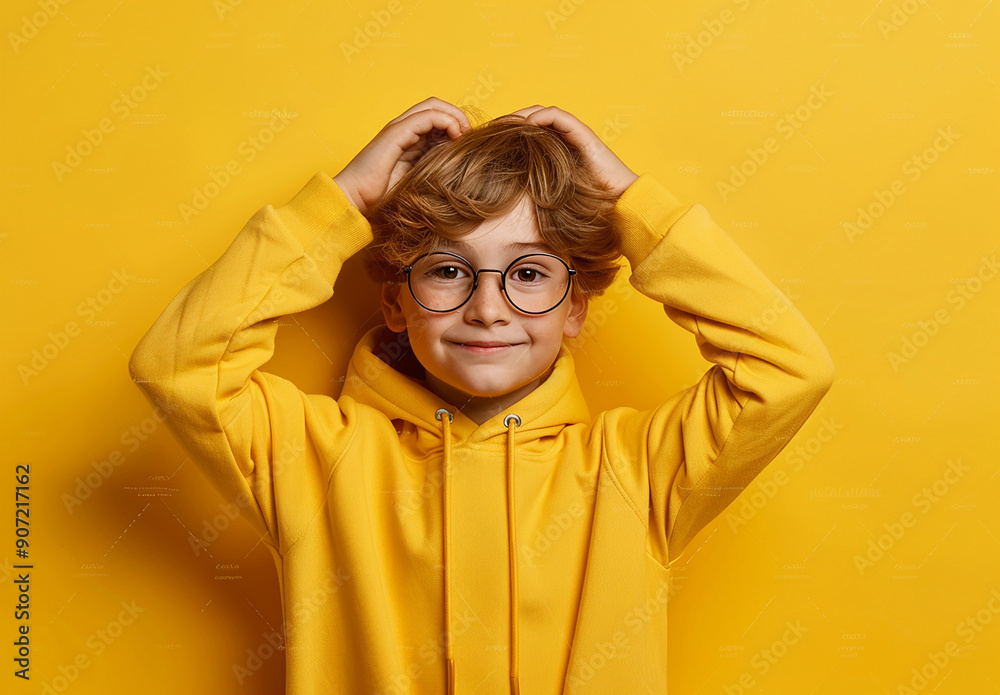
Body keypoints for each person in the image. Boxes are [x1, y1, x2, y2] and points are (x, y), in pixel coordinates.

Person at [128, 96, 834, 695]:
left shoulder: (634, 471)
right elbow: (180, 365)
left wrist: (631, 204)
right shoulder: (316, 458)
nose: (488, 309)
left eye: (528, 274)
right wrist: (342, 202)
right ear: (397, 301)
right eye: (447, 270)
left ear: (577, 308)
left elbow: (787, 368)